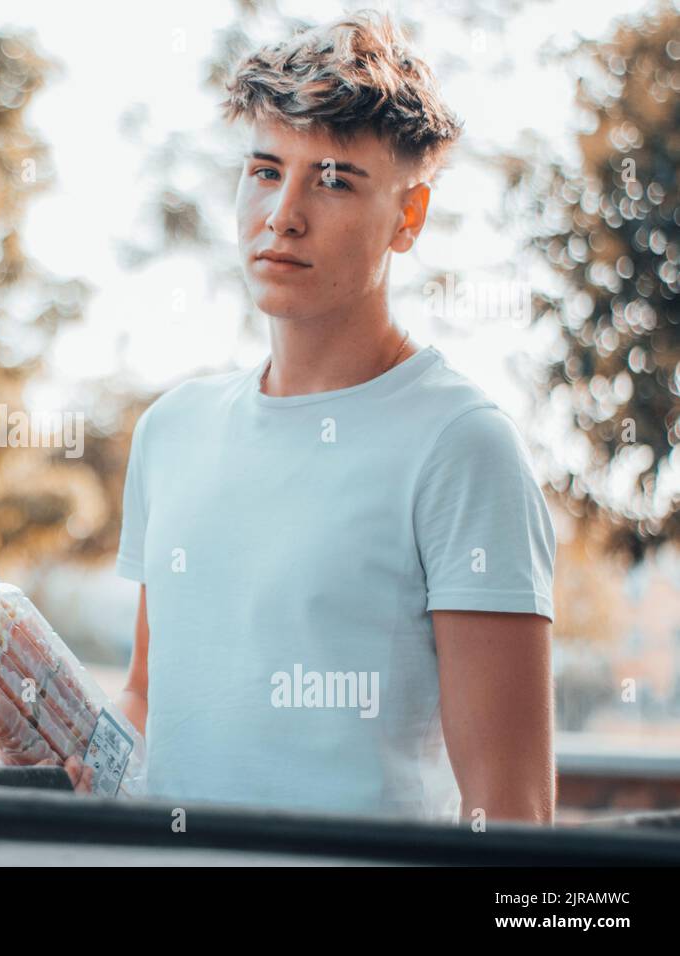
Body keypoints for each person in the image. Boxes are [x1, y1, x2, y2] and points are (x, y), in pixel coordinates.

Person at [112, 11, 557, 823]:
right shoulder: (169, 430)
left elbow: (513, 811)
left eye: (334, 180)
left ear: (409, 217)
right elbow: (146, 706)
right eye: (263, 169)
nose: (282, 213)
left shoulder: (463, 445)